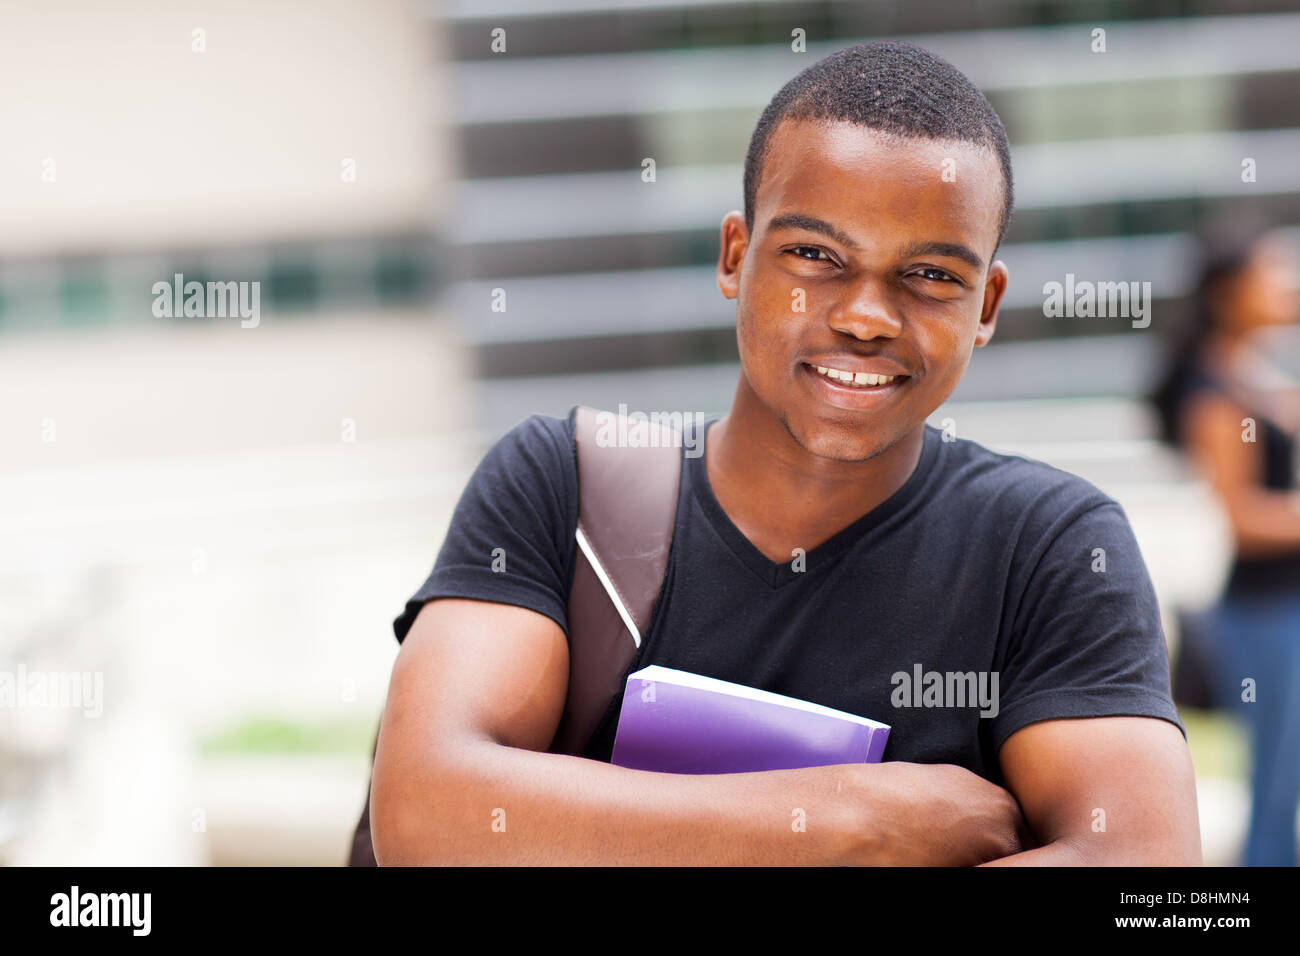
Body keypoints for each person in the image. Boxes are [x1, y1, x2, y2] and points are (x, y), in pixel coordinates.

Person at [370, 41, 1200, 865]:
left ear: (986, 306)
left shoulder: (1048, 545)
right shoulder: (565, 488)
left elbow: (1144, 869)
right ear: (736, 257)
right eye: (815, 256)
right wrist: (850, 821)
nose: (867, 317)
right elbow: (425, 813)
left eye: (932, 275)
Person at [1151, 214, 1300, 866]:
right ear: (1229, 289)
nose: (1289, 284)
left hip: (1281, 608)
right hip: (1265, 614)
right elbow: (1238, 515)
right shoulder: (1214, 394)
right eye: (1273, 270)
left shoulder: (1252, 375)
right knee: (1274, 790)